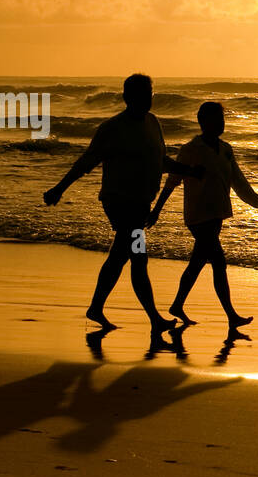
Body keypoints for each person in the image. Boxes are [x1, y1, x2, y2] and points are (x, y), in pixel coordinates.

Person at [42, 73, 202, 332]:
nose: (146, 100)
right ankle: (154, 319)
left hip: (141, 203)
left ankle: (96, 308)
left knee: (120, 256)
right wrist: (59, 188)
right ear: (127, 97)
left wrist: (189, 170)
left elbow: (161, 161)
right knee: (138, 257)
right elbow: (86, 162)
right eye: (140, 95)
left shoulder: (153, 122)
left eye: (149, 94)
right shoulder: (112, 128)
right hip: (119, 202)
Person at [149, 102, 258, 328]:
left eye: (221, 119)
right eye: (215, 119)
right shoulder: (191, 149)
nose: (220, 123)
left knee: (197, 262)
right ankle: (231, 316)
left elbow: (239, 182)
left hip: (216, 215)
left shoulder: (226, 150)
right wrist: (156, 211)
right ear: (202, 122)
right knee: (219, 262)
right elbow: (172, 181)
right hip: (197, 215)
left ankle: (177, 305)